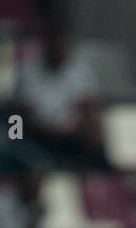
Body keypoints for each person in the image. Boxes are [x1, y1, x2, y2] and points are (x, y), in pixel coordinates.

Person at [14, 17, 106, 168]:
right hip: (39, 138)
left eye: (63, 43)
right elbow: (21, 116)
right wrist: (52, 132)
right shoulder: (28, 71)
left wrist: (83, 128)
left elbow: (89, 107)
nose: (60, 48)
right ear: (46, 44)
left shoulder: (80, 70)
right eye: (55, 42)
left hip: (73, 138)